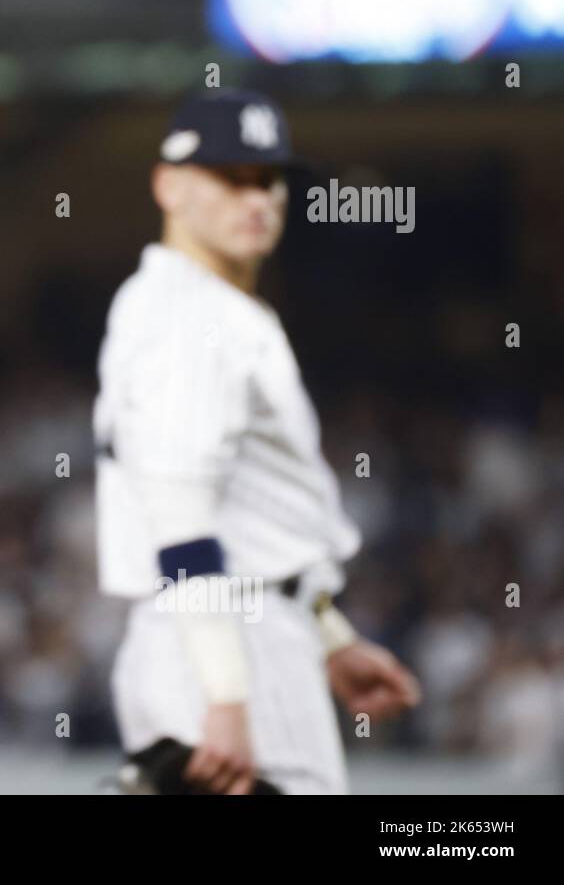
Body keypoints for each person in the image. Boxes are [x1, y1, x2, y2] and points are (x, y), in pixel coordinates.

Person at [93, 89, 420, 794]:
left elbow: (254, 518)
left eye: (268, 179)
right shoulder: (192, 316)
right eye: (229, 176)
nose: (257, 198)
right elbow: (181, 516)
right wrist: (228, 697)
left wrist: (330, 637)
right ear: (168, 184)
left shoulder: (200, 305)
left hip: (239, 632)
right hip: (230, 645)